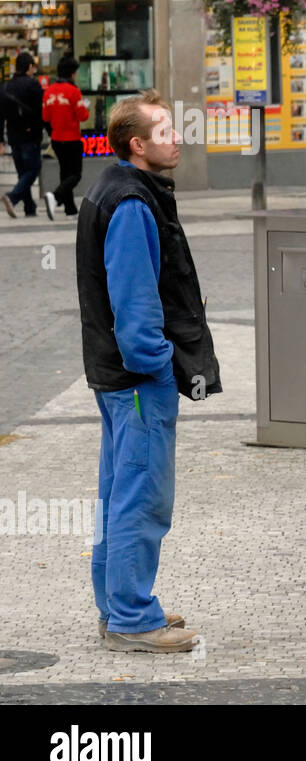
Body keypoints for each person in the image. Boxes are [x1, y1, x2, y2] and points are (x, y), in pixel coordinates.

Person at [76, 90, 222, 653]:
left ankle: (118, 605)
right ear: (137, 145)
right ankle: (133, 618)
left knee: (117, 494)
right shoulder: (133, 202)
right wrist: (158, 368)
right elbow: (135, 303)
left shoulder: (114, 188)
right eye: (164, 131)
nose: (176, 137)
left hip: (115, 377)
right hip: (136, 379)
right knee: (141, 497)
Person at [42, 54, 90, 218]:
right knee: (75, 174)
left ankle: (70, 208)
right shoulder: (73, 91)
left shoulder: (49, 91)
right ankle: (55, 197)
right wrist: (86, 106)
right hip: (72, 138)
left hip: (56, 139)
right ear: (72, 73)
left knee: (65, 172)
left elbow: (45, 117)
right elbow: (83, 116)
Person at [1, 52, 45, 218]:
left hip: (13, 136)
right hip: (29, 135)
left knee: (22, 172)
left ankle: (29, 207)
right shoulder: (33, 85)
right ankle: (12, 197)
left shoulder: (5, 87)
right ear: (29, 67)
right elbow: (40, 112)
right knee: (33, 169)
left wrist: (0, 139)